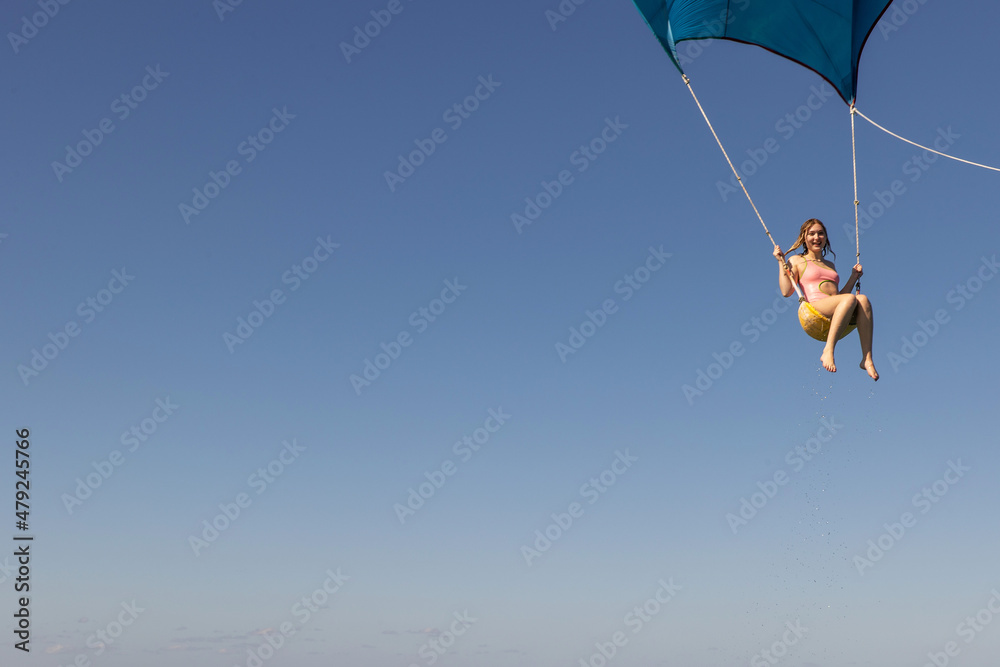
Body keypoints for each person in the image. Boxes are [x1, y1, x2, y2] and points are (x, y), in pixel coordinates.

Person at [773, 218, 878, 380]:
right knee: (849, 299)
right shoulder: (796, 260)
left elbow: (839, 298)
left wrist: (853, 277)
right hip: (814, 312)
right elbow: (786, 291)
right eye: (812, 234)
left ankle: (867, 359)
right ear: (804, 238)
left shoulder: (830, 265)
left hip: (836, 314)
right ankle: (828, 350)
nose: (816, 237)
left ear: (826, 238)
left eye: (820, 233)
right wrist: (781, 262)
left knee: (862, 299)